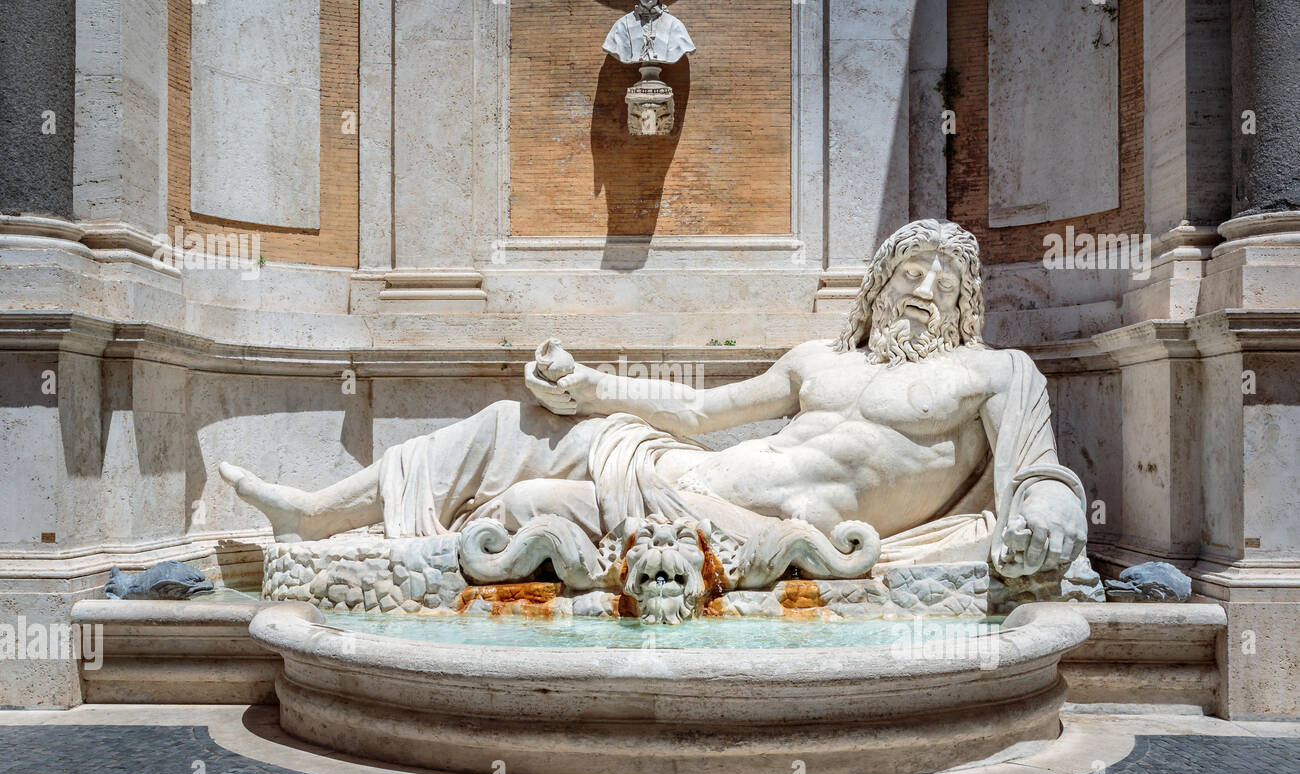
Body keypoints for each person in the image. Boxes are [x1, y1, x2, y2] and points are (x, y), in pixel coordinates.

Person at [220, 219, 1088, 579]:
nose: (923, 287)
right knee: (514, 422)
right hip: (689, 471)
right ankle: (316, 517)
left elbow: (1038, 476)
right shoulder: (819, 360)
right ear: (879, 284)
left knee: (525, 504)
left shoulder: (998, 373)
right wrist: (595, 386)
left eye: (943, 275)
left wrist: (1052, 518)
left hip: (767, 533)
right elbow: (703, 415)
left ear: (967, 296)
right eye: (908, 269)